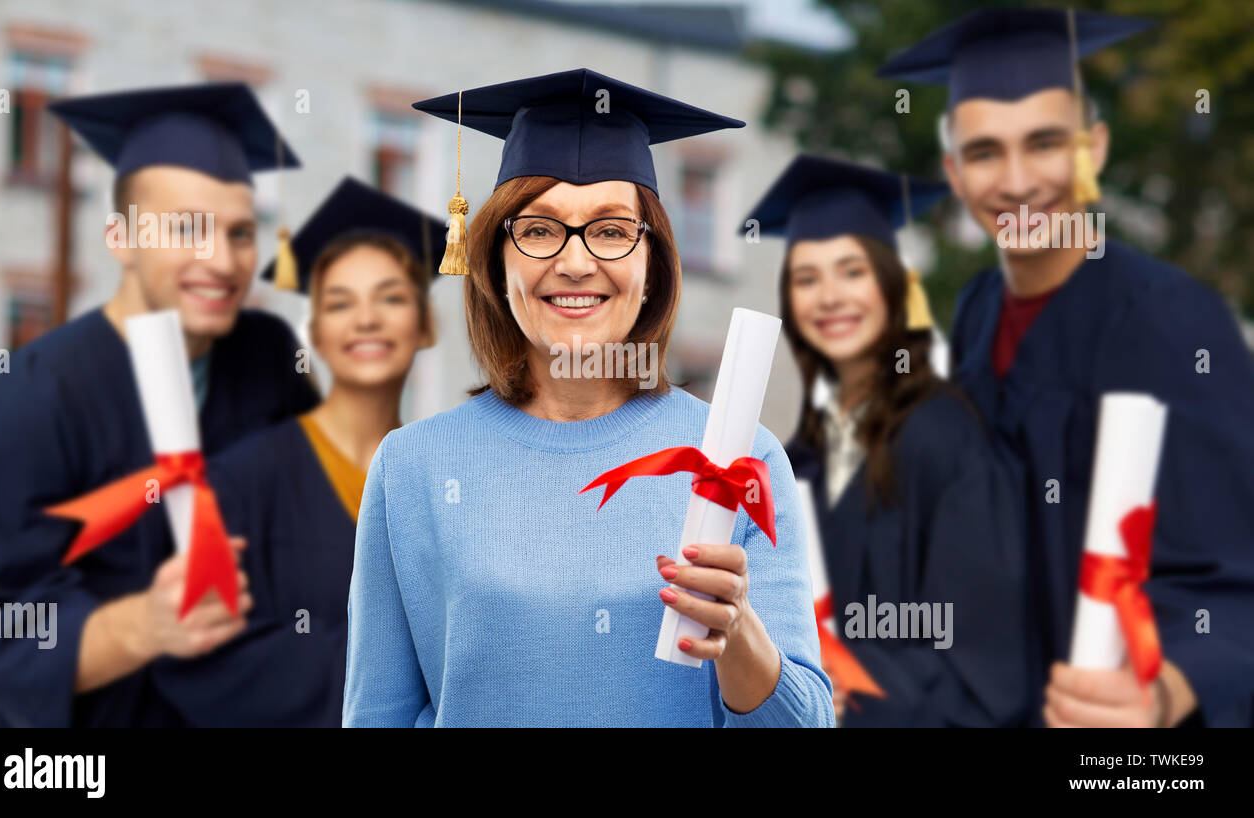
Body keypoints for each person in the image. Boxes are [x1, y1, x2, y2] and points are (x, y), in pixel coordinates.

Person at [343, 68, 834, 727]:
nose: (575, 263)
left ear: (651, 261)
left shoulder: (739, 459)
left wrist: (736, 631)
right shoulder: (412, 469)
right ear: (495, 257)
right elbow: (376, 716)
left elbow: (806, 723)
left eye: (610, 230)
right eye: (540, 230)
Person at [880, 8, 1254, 726]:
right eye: (986, 152)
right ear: (955, 173)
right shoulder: (979, 311)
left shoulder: (1173, 320)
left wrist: (1162, 690)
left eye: (1046, 143)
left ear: (1096, 148)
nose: (1018, 181)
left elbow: (1235, 576)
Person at [0, 83, 319, 727]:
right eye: (187, 227)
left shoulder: (267, 360)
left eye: (240, 232)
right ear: (121, 238)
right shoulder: (26, 395)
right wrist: (141, 626)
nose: (222, 259)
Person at [151, 176, 445, 726]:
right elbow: (195, 662)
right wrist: (398, 668)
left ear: (427, 324)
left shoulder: (450, 480)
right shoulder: (242, 479)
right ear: (315, 329)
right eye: (340, 302)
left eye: (392, 297)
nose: (366, 319)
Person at [746, 154, 1028, 726]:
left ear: (892, 284)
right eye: (807, 278)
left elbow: (986, 652)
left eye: (852, 271)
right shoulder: (798, 458)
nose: (829, 297)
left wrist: (853, 685)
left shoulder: (945, 436)